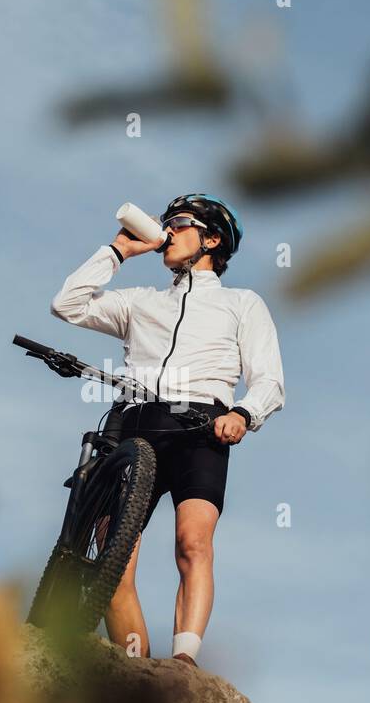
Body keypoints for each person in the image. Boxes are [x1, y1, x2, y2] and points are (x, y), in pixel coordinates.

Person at [49, 194, 285, 668]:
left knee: (192, 543)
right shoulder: (141, 303)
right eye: (166, 224)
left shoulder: (241, 303)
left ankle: (184, 663)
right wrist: (118, 251)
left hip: (202, 428)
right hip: (136, 421)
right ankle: (135, 670)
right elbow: (67, 305)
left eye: (178, 224)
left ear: (211, 239)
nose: (166, 232)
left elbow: (269, 380)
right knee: (112, 566)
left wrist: (243, 413)